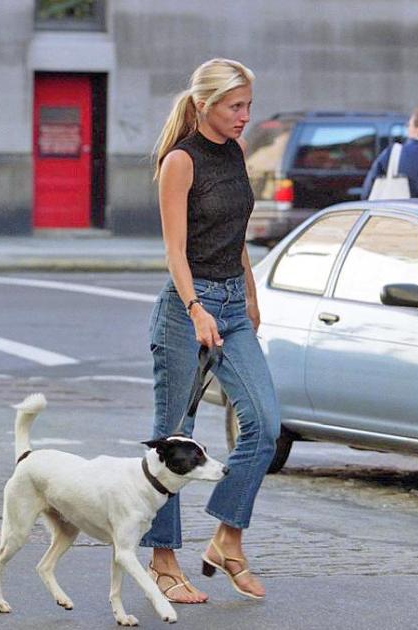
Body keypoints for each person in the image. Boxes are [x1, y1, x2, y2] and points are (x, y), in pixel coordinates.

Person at [145, 58, 279, 604]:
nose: (246, 115)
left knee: (265, 424)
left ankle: (227, 536)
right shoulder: (181, 161)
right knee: (174, 434)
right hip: (186, 309)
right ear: (206, 105)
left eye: (248, 104)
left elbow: (236, 233)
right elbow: (174, 250)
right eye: (236, 106)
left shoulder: (236, 152)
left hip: (230, 302)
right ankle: (161, 559)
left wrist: (249, 295)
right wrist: (197, 308)